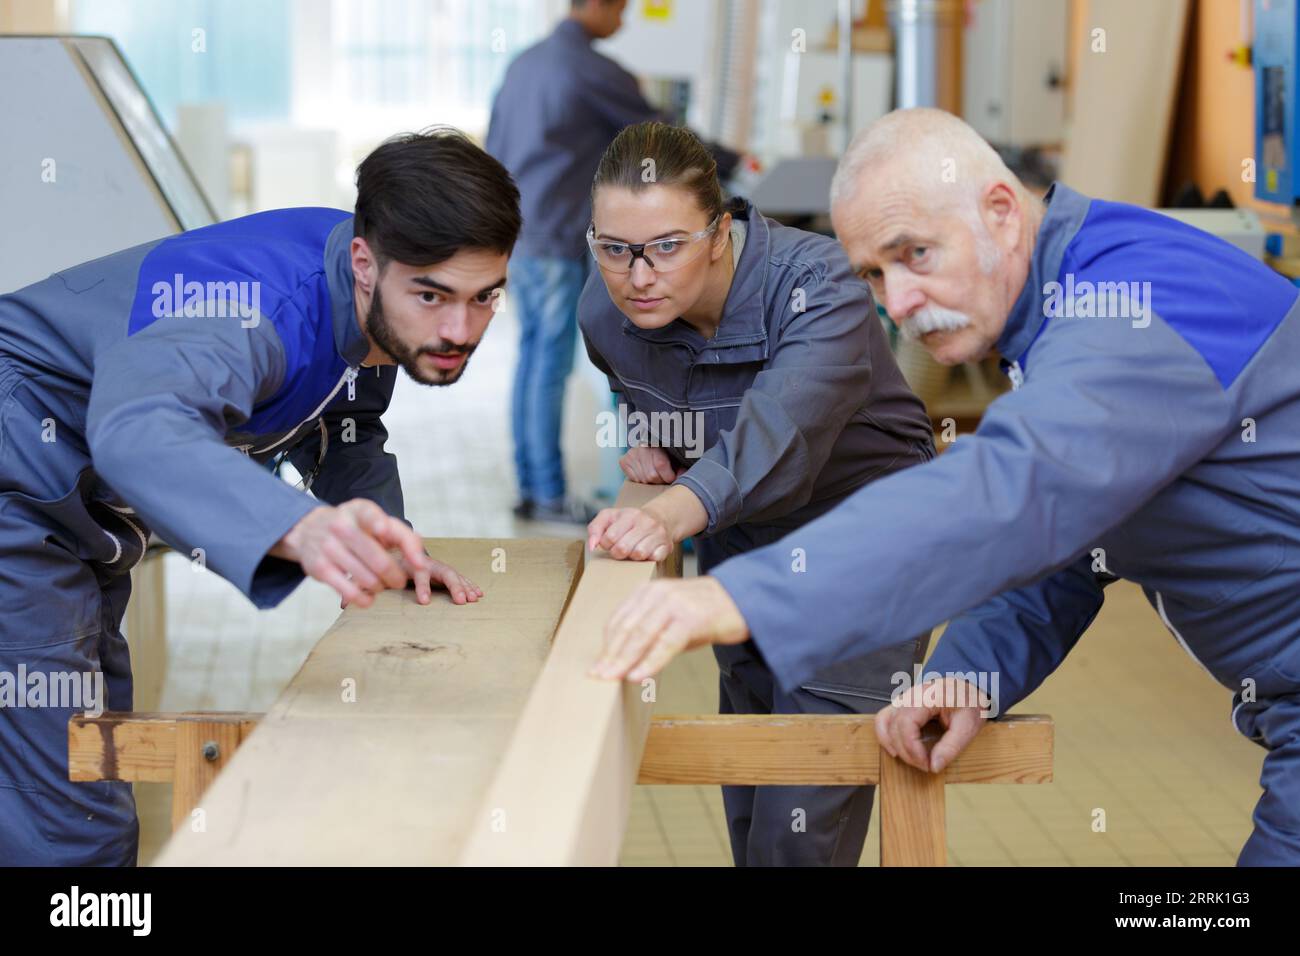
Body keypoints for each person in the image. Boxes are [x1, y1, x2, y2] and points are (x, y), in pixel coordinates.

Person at [592, 108, 1300, 866]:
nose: (896, 304)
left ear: (999, 211)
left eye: (915, 254)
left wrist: (741, 596)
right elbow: (1066, 544)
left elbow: (1013, 490)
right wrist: (967, 677)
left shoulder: (1130, 300)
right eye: (874, 273)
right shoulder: (1057, 309)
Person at [0, 127, 519, 864]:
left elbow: (347, 425)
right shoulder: (252, 310)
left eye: (484, 298)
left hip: (71, 506)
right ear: (367, 264)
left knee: (88, 738)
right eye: (433, 297)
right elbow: (139, 428)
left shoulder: (370, 296)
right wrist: (298, 526)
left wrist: (387, 545)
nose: (459, 329)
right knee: (65, 807)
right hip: (17, 476)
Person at [581, 122, 936, 866]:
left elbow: (781, 431)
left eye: (666, 246)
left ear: (718, 232)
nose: (638, 276)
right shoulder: (604, 305)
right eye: (615, 249)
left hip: (860, 561)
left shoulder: (821, 286)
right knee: (749, 801)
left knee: (798, 834)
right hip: (743, 554)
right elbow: (632, 380)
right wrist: (644, 428)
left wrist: (669, 515)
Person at [486, 0, 738, 522]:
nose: (623, 21)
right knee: (564, 363)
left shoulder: (523, 64)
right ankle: (555, 493)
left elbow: (494, 147)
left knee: (535, 360)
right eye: (621, 9)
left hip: (521, 233)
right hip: (559, 236)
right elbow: (662, 138)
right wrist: (732, 160)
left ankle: (534, 488)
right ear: (596, 5)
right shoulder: (590, 67)